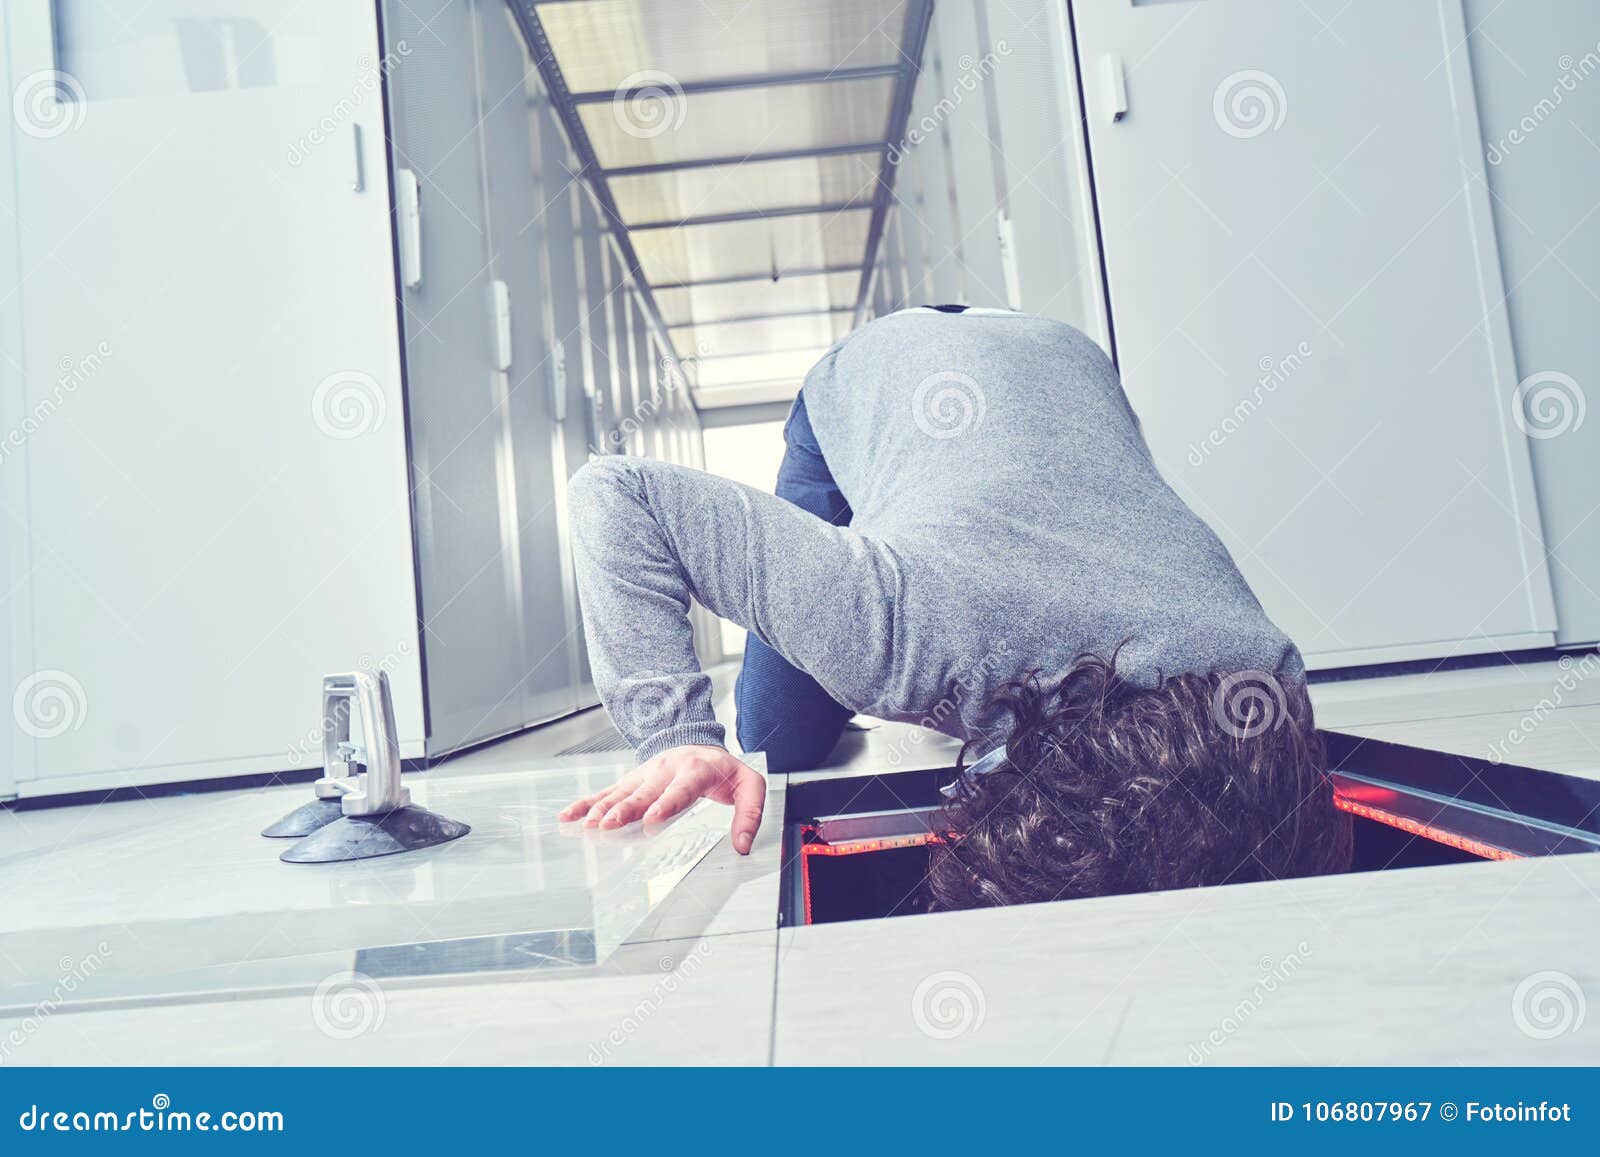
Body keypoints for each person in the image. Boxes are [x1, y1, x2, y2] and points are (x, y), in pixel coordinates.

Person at [558, 307, 1351, 909]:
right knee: (780, 740)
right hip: (886, 362)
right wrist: (674, 736)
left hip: (1064, 358)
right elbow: (618, 496)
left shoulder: (1267, 684)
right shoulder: (898, 628)